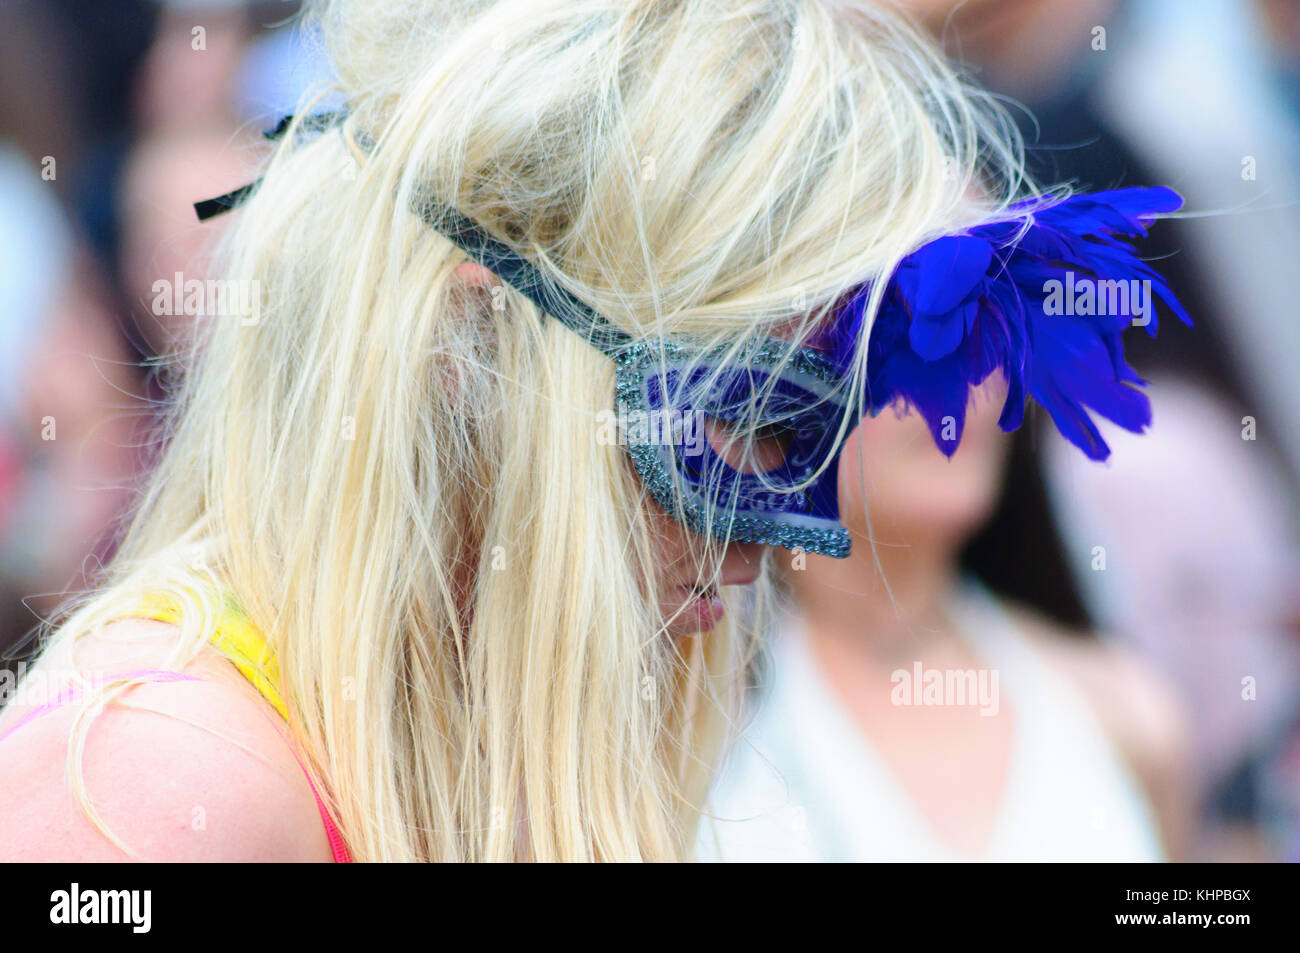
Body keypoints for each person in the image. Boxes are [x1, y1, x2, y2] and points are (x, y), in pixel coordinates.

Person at [0, 0, 1033, 862]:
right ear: (473, 338)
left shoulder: (492, 744)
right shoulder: (159, 782)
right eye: (744, 415)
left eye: (817, 433)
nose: (774, 534)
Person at [696, 374, 1194, 861]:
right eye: (891, 324)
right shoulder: (686, 761)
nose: (957, 373)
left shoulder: (1124, 716)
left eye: (975, 316)